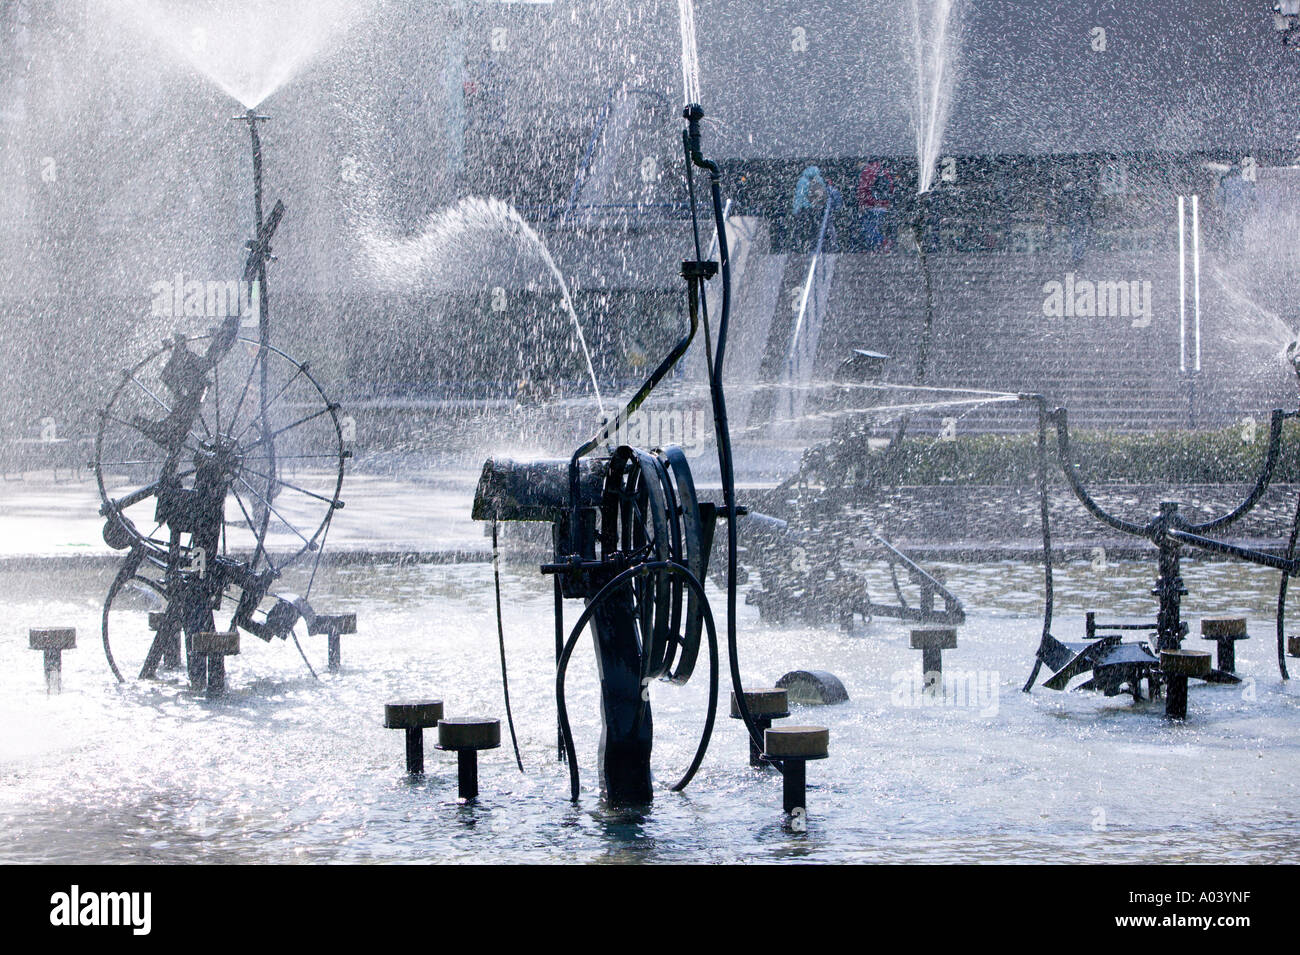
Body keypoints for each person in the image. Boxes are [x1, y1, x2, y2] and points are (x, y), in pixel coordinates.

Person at [855, 161, 895, 251]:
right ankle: (885, 246)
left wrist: (862, 204)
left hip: (871, 207)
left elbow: (862, 190)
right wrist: (885, 203)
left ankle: (879, 247)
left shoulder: (867, 172)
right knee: (879, 229)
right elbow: (891, 189)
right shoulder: (884, 171)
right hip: (883, 207)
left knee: (868, 230)